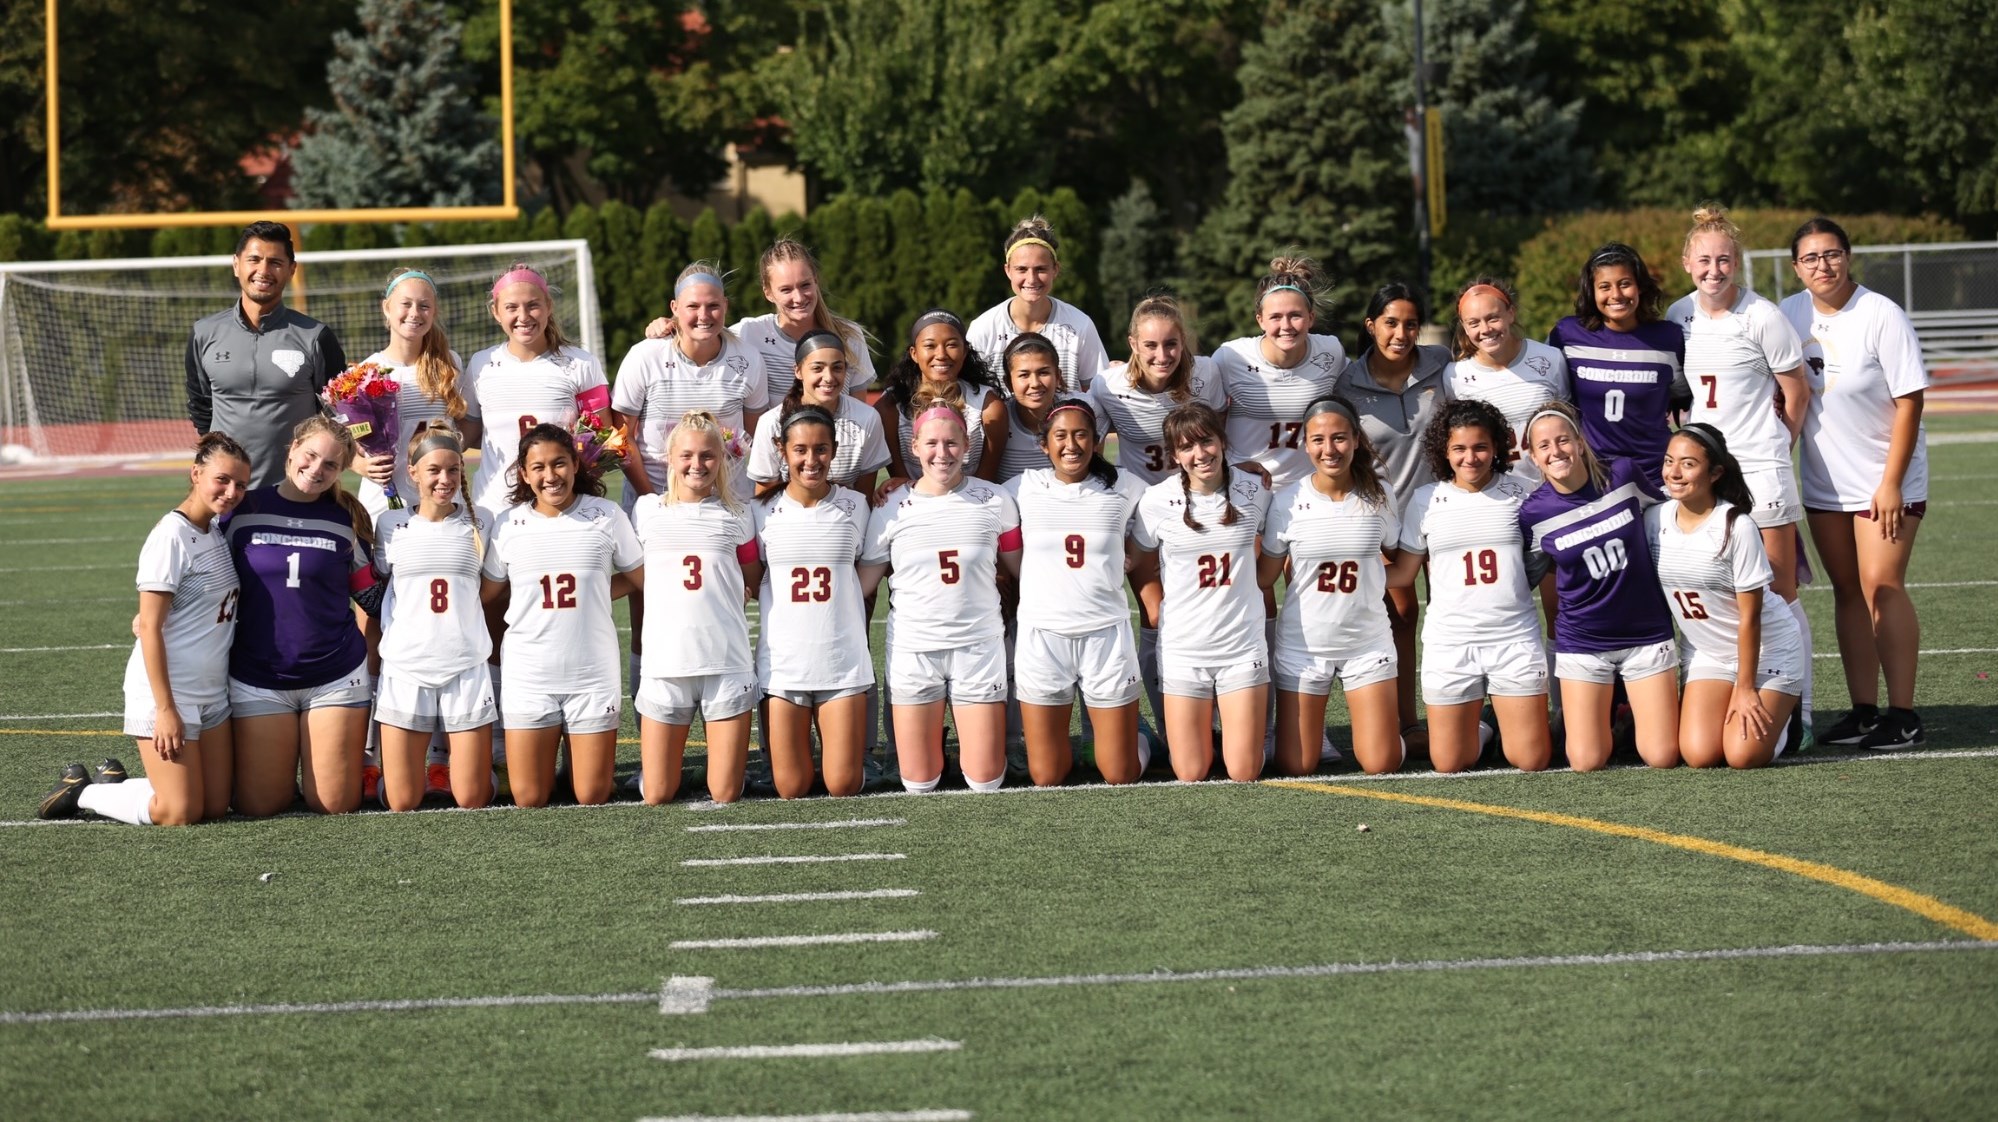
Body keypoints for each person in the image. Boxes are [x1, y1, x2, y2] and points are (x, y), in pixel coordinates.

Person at [38, 434, 252, 824]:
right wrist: (165, 710)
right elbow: (149, 628)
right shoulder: (171, 536)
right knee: (178, 812)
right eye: (222, 480)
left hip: (212, 692)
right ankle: (83, 792)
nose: (231, 491)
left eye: (240, 484)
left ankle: (116, 785)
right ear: (196, 473)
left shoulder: (215, 531)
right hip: (169, 694)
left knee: (216, 806)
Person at [1781, 216, 1930, 750]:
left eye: (1832, 254)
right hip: (1824, 485)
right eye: (1811, 258)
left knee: (1881, 586)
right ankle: (1864, 711)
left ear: (1848, 256)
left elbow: (1910, 401)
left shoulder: (1881, 314)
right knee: (1847, 592)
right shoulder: (1788, 315)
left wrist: (1890, 484)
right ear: (1796, 267)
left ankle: (1904, 715)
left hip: (1883, 481)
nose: (1823, 265)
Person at [1668, 203, 1813, 741]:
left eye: (1724, 260)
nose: (1714, 270)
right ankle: (1718, 689)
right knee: (1711, 587)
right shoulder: (1676, 317)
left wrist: (1778, 445)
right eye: (1704, 260)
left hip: (1759, 469)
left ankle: (1803, 713)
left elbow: (1797, 391)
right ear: (1687, 261)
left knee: (1778, 594)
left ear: (1739, 262)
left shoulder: (1762, 316)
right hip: (1703, 472)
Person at [613, 262, 768, 693]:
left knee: (728, 599)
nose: (704, 315)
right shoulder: (645, 357)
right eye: (693, 306)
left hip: (725, 505)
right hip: (657, 499)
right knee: (648, 606)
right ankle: (652, 722)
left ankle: (733, 697)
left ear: (726, 308)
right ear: (674, 309)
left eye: (713, 306)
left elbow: (753, 437)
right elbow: (621, 439)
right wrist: (655, 502)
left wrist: (736, 501)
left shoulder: (746, 359)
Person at [479, 424, 643, 808]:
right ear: (523, 473)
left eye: (559, 464)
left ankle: (577, 763)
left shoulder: (605, 514)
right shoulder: (508, 524)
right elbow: (487, 594)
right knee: (530, 797)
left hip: (591, 676)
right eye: (538, 467)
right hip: (529, 676)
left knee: (591, 794)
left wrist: (595, 592)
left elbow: (640, 578)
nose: (550, 476)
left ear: (575, 465)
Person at [861, 406, 1022, 792]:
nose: (942, 452)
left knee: (986, 781)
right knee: (920, 782)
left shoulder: (995, 500)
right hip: (915, 650)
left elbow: (1024, 572)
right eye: (931, 443)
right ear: (914, 446)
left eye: (952, 443)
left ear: (967, 445)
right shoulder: (890, 508)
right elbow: (861, 586)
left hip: (978, 648)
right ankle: (938, 746)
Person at [224, 416, 378, 816]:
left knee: (335, 804)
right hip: (259, 677)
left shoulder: (348, 518)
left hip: (335, 676)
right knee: (261, 805)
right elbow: (202, 571)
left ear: (343, 469)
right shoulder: (243, 508)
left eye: (330, 464)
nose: (316, 469)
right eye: (310, 456)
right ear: (291, 449)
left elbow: (370, 596)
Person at [1089, 295, 1227, 739]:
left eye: (1171, 344)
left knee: (1211, 612)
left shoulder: (1206, 373)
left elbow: (1224, 434)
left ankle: (1229, 719)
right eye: (1150, 345)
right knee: (1156, 615)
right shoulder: (1108, 385)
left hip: (1201, 512)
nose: (1161, 355)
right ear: (1132, 343)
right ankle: (1173, 728)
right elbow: (1087, 447)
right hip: (1144, 517)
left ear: (1183, 343)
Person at [1386, 401, 1550, 774]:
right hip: (1451, 643)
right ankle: (1484, 727)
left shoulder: (1524, 494)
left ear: (1496, 448)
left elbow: (1541, 559)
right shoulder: (1427, 500)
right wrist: (1359, 570)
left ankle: (1500, 721)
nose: (1470, 458)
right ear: (1444, 451)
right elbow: (1403, 573)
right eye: (1459, 448)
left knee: (1531, 759)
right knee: (1449, 762)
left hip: (1513, 638)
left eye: (1480, 447)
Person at [1519, 403, 1680, 771]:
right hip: (1583, 642)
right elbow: (1529, 575)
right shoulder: (1533, 514)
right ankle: (1600, 721)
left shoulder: (1621, 474)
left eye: (1563, 440)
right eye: (1544, 446)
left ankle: (1628, 718)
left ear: (1580, 441)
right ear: (1533, 455)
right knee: (1586, 761)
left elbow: (1668, 513)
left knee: (1661, 756)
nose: (1555, 451)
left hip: (1646, 634)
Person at [1004, 397, 1150, 786]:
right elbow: (966, 498)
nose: (1072, 445)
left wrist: (1129, 557)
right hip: (1042, 636)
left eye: (1082, 435)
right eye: (1061, 436)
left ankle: (1137, 739)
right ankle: (1083, 745)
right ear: (1044, 445)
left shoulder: (1128, 486)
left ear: (1098, 441)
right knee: (1046, 775)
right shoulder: (1022, 487)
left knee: (1121, 774)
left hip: (1105, 634)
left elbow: (1169, 513)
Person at [1332, 283, 1452, 746]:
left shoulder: (1441, 363)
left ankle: (1461, 711)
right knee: (1399, 617)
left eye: (1410, 324)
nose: (1401, 333)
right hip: (1388, 520)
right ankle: (1405, 721)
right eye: (1390, 322)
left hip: (1444, 515)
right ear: (1371, 326)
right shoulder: (1348, 383)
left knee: (1454, 612)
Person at [1260, 397, 1404, 775]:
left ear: (1356, 439)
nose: (1329, 449)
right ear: (1305, 444)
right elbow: (1264, 577)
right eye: (1318, 440)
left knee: (1381, 763)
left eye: (1339, 438)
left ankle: (1403, 735)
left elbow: (1400, 561)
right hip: (1303, 647)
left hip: (1367, 643)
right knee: (1296, 765)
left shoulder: (1380, 494)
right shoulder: (1287, 501)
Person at [1132, 402, 1273, 782]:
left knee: (1244, 770)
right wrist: (1155, 609)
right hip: (1184, 648)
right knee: (1191, 772)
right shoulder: (1157, 500)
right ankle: (1157, 733)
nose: (1200, 454)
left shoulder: (1256, 489)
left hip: (1241, 647)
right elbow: (1140, 560)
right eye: (1187, 447)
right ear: (1175, 455)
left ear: (1223, 442)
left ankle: (1248, 734)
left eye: (1207, 442)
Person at [1651, 425, 1803, 768]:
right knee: (1699, 754)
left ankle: (1787, 720)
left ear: (1716, 472)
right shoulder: (1654, 518)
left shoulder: (1737, 526)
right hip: (1709, 653)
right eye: (1669, 461)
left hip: (1767, 649)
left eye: (1688, 464)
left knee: (1742, 756)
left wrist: (1745, 688)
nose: (1674, 473)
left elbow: (1750, 617)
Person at [631, 412, 762, 804]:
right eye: (686, 455)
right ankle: (673, 769)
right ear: (669, 459)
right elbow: (629, 571)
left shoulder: (739, 513)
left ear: (722, 459)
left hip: (725, 660)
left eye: (708, 455)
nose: (697, 464)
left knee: (724, 793)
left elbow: (751, 579)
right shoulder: (646, 511)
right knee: (656, 794)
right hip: (666, 663)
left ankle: (719, 767)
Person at [752, 407, 877, 798]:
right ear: (781, 451)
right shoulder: (759, 512)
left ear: (834, 450)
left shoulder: (857, 505)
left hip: (842, 663)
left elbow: (867, 579)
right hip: (784, 665)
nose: (811, 460)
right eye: (800, 450)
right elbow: (753, 582)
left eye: (821, 449)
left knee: (842, 785)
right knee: (790, 787)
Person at [371, 423, 495, 811]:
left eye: (454, 470)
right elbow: (379, 588)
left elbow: (491, 585)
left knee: (472, 798)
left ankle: (460, 770)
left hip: (466, 665)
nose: (445, 480)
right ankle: (385, 772)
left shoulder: (483, 520)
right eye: (434, 471)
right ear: (412, 472)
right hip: (407, 666)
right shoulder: (390, 525)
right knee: (401, 801)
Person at [184, 221, 348, 490]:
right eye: (254, 260)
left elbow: (337, 413)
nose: (263, 270)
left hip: (295, 491)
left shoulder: (316, 336)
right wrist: (219, 461)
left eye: (275, 262)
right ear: (236, 264)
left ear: (291, 270)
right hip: (227, 494)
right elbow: (201, 404)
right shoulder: (204, 333)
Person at [644, 237, 878, 400]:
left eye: (805, 285)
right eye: (786, 289)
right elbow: (703, 332)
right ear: (768, 292)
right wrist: (668, 324)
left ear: (816, 280)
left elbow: (858, 412)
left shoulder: (848, 336)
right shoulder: (749, 333)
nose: (798, 297)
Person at [465, 264, 610, 522]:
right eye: (511, 307)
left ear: (548, 306)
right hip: (494, 511)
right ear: (495, 312)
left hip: (560, 510)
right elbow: (472, 432)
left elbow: (602, 440)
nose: (523, 316)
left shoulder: (582, 364)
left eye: (533, 305)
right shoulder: (480, 364)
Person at [1546, 243, 1686, 488]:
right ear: (1591, 291)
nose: (1616, 295)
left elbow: (1685, 394)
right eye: (1604, 286)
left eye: (1624, 283)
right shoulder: (1566, 334)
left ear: (1640, 286)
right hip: (1592, 475)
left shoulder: (1669, 338)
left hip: (1657, 475)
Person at [1213, 254, 1349, 490]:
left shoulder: (1330, 352)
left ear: (1311, 318)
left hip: (1307, 490)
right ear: (1260, 321)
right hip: (1244, 486)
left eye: (1295, 315)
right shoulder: (1231, 357)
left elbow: (1367, 379)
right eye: (1275, 317)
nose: (1286, 326)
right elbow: (1191, 392)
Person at [357, 268, 479, 522]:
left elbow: (466, 424)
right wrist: (359, 465)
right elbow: (348, 438)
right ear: (386, 308)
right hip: (386, 498)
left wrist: (450, 448)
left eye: (424, 305)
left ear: (434, 312)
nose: (415, 313)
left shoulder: (449, 363)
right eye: (406, 304)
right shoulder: (368, 371)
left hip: (441, 495)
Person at [966, 215, 1109, 393]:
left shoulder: (1080, 325)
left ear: (1055, 269)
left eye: (1040, 269)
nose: (1031, 279)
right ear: (1008, 270)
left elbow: (1098, 394)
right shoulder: (983, 328)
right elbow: (970, 394)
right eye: (1022, 269)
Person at [1447, 276, 1568, 484]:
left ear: (1511, 313)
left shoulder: (1550, 358)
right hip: (1496, 496)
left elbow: (1570, 425)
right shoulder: (1454, 376)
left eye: (1493, 318)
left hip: (1551, 490)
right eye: (1474, 322)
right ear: (1464, 327)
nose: (1485, 329)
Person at [745, 332, 893, 496]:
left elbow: (864, 496)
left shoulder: (867, 418)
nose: (829, 377)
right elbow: (764, 496)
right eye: (817, 368)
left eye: (837, 367)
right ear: (798, 371)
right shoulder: (771, 422)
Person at [876, 309, 1008, 489]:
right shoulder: (889, 407)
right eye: (930, 346)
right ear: (914, 353)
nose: (941, 355)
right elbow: (902, 481)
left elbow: (985, 481)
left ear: (965, 351)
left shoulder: (989, 407)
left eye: (952, 345)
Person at [992, 333, 1063, 483]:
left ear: (1058, 376)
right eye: (1024, 375)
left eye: (1043, 373)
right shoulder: (997, 418)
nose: (1035, 383)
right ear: (1008, 382)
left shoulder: (1081, 411)